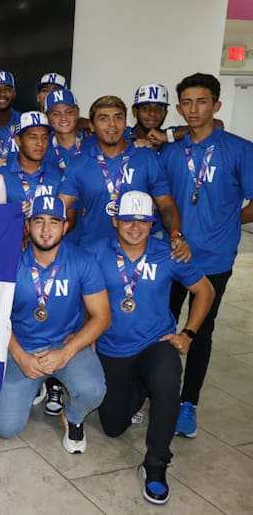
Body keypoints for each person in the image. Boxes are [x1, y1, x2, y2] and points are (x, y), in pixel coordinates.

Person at [91, 190, 214, 505]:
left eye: (143, 221)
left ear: (152, 224)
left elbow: (205, 291)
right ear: (115, 221)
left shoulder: (169, 254)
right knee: (113, 427)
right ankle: (143, 386)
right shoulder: (95, 251)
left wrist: (188, 333)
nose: (135, 227)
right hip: (112, 348)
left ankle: (156, 464)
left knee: (168, 378)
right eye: (128, 220)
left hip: (155, 343)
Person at [160, 72, 253, 438]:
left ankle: (188, 403)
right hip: (173, 254)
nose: (194, 109)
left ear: (216, 105)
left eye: (202, 102)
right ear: (179, 108)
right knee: (162, 323)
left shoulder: (240, 149)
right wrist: (174, 234)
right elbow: (164, 203)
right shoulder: (171, 153)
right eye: (187, 103)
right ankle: (158, 390)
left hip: (215, 257)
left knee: (201, 330)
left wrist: (232, 220)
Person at [0, 195, 109, 454]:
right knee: (5, 428)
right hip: (23, 346)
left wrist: (66, 352)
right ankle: (40, 384)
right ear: (27, 226)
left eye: (54, 222)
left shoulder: (82, 260)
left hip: (65, 344)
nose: (46, 230)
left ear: (65, 227)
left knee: (93, 391)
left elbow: (102, 316)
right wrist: (21, 357)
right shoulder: (10, 262)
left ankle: (73, 417)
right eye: (38, 221)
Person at [58, 95, 188, 256]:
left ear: (126, 122)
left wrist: (175, 233)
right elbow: (60, 207)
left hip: (137, 254)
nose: (112, 124)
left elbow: (165, 204)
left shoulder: (146, 157)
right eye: (103, 118)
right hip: (93, 254)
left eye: (118, 117)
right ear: (91, 126)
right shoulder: (78, 163)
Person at [0, 112, 62, 217]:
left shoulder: (58, 174)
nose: (40, 143)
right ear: (18, 140)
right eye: (33, 137)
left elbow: (69, 214)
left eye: (45, 137)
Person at [44, 89, 89, 174]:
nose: (63, 118)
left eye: (69, 112)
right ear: (47, 117)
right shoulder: (42, 148)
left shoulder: (92, 143)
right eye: (56, 114)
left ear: (77, 113)